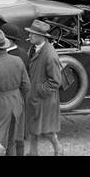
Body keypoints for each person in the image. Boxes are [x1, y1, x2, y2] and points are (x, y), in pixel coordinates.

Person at [25, 20, 63, 156]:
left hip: (44, 99)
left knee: (47, 129)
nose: (30, 36)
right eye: (30, 33)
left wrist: (39, 90)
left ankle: (58, 149)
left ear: (42, 36)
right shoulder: (34, 49)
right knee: (33, 126)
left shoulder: (50, 54)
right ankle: (33, 152)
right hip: (36, 96)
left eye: (33, 34)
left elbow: (56, 81)